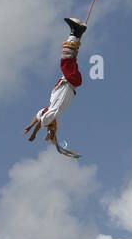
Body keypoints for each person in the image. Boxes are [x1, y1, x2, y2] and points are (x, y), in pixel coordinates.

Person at [24, 17, 86, 158]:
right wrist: (34, 134)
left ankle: (77, 33)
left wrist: (29, 126)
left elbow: (38, 116)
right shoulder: (52, 113)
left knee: (71, 60)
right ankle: (75, 32)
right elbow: (41, 121)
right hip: (71, 81)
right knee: (66, 61)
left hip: (71, 81)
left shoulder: (48, 110)